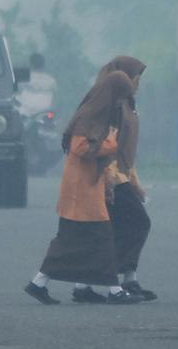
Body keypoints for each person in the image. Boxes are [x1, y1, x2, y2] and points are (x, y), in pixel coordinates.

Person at [24, 70, 143, 305]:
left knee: (69, 242)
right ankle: (114, 290)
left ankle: (39, 283)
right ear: (112, 93)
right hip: (81, 188)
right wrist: (110, 144)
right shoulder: (90, 116)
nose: (121, 103)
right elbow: (79, 148)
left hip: (90, 184)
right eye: (120, 96)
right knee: (102, 238)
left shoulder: (100, 114)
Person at [96, 56, 157, 302]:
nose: (138, 83)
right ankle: (118, 281)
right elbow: (107, 145)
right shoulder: (114, 106)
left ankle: (127, 280)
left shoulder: (128, 104)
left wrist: (136, 184)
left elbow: (127, 152)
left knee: (118, 229)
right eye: (135, 78)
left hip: (124, 175)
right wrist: (109, 177)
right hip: (111, 177)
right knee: (139, 223)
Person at [17, 52, 57, 117]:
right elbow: (54, 99)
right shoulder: (51, 81)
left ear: (30, 64)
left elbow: (16, 93)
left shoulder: (23, 77)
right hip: (45, 113)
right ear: (43, 65)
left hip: (25, 113)